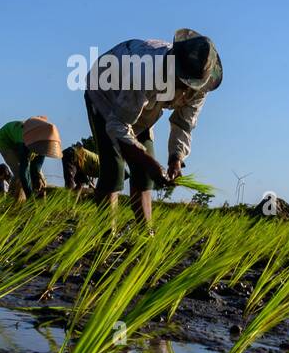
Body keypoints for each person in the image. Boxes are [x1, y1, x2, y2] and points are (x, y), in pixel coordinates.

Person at [84, 28, 221, 225]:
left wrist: (176, 158)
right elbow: (118, 124)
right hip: (107, 95)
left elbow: (184, 123)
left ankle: (145, 232)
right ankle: (106, 233)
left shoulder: (199, 83)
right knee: (114, 168)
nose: (187, 90)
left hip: (145, 107)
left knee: (144, 175)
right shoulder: (145, 71)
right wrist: (149, 162)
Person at [0, 116, 62, 200]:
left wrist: (37, 183)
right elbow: (24, 169)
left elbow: (36, 167)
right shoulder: (24, 140)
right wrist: (30, 196)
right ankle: (10, 200)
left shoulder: (45, 140)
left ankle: (40, 198)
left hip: (24, 141)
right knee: (19, 172)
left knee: (39, 174)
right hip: (6, 142)